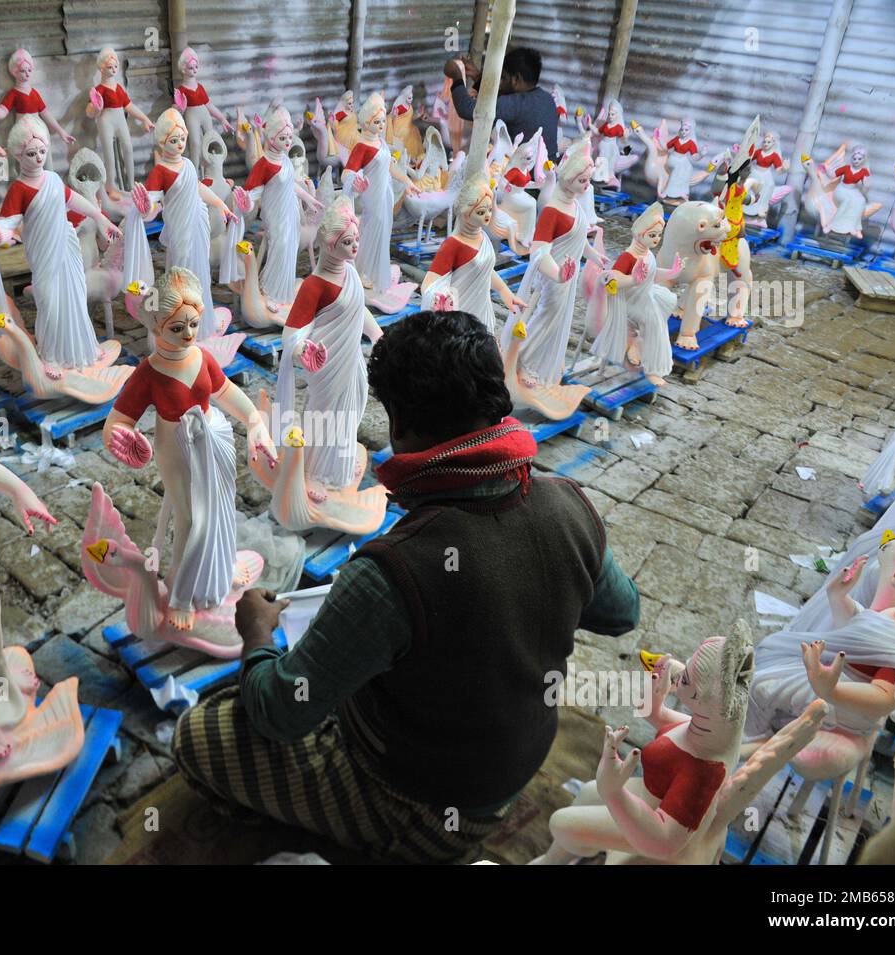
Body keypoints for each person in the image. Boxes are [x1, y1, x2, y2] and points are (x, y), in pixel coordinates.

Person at [173, 310, 640, 863]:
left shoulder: (391, 570)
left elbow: (280, 712)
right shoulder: (569, 504)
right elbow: (620, 612)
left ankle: (376, 832)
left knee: (200, 733)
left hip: (429, 801)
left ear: (399, 428)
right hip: (517, 755)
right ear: (495, 400)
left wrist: (256, 639)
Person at [445, 46, 559, 160]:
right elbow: (499, 100)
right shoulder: (547, 99)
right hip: (547, 168)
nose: (500, 84)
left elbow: (466, 108)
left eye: (503, 78)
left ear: (516, 79)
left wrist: (457, 77)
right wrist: (478, 77)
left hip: (524, 174)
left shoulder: (515, 103)